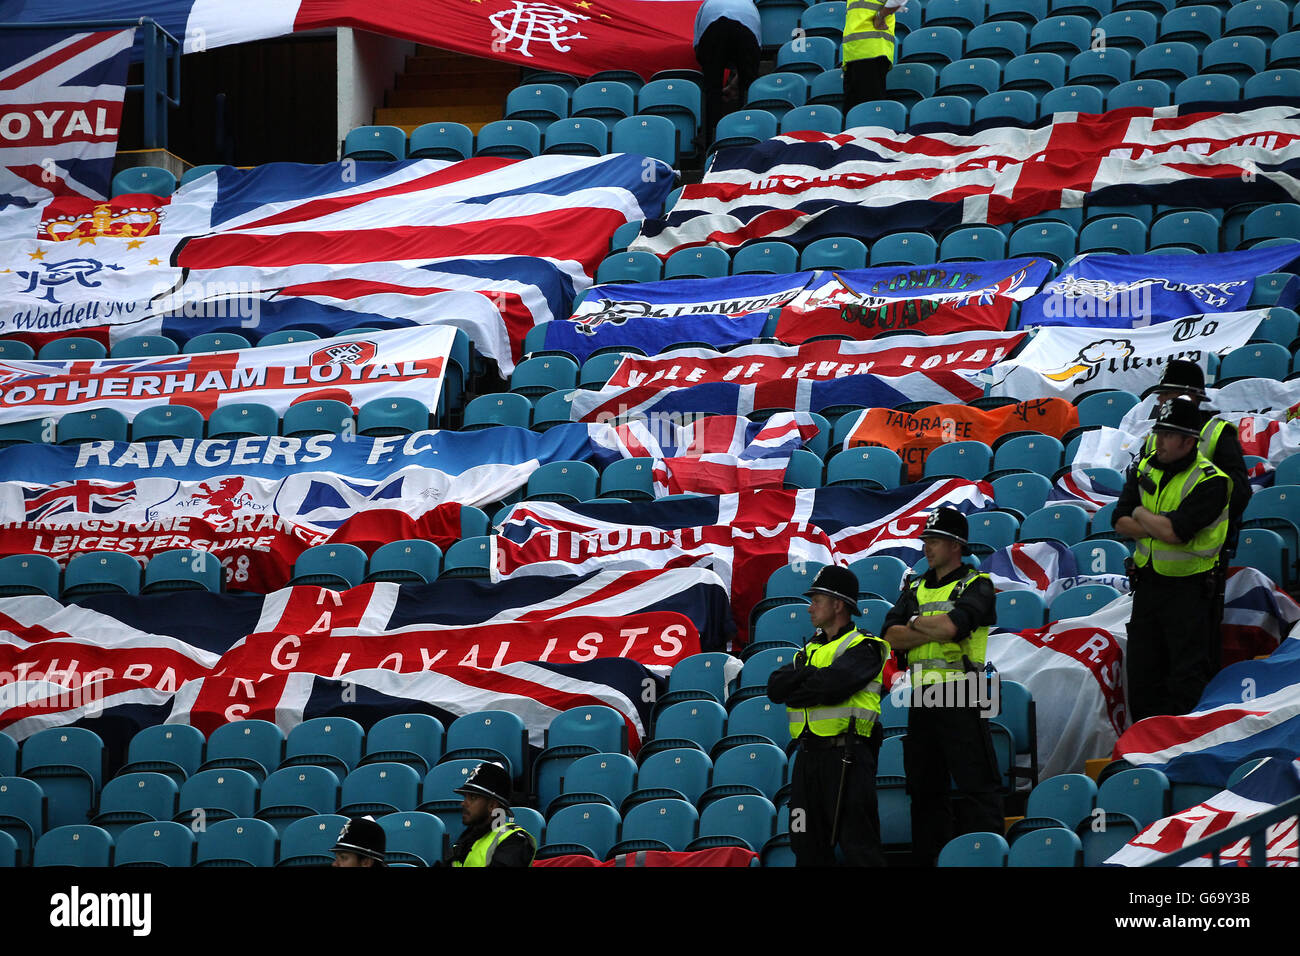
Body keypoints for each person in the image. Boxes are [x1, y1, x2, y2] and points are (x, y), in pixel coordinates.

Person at [881, 506, 1002, 867]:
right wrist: (929, 624)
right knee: (924, 789)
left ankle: (987, 857)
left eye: (934, 541)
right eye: (926, 540)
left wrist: (914, 622)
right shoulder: (914, 586)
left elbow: (953, 628)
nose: (927, 548)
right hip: (921, 696)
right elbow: (890, 636)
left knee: (977, 785)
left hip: (964, 691)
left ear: (956, 545)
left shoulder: (977, 584)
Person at [1113, 397, 1231, 722]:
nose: (1159, 440)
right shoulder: (1144, 466)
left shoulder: (1211, 481)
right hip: (1148, 587)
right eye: (1159, 432)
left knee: (1185, 679)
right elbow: (1119, 521)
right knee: (1142, 676)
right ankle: (1144, 753)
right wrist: (1154, 522)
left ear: (1189, 441)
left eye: (1168, 434)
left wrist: (1140, 512)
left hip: (1189, 593)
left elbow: (1175, 534)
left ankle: (1181, 752)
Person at [766, 565, 890, 866]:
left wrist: (804, 680)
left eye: (816, 600)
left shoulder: (867, 647)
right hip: (807, 759)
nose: (810, 608)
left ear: (838, 604)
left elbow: (833, 687)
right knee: (805, 845)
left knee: (859, 845)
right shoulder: (806, 651)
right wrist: (812, 678)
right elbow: (775, 688)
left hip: (847, 757)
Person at [1140, 360, 1252, 672]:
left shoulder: (1217, 434)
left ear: (1187, 396)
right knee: (1152, 657)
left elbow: (1238, 492)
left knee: (1191, 655)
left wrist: (1188, 522)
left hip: (1200, 562)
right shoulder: (1155, 437)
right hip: (1153, 565)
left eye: (1166, 395)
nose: (1160, 401)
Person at [693, 0, 762, 148]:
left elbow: (699, 48)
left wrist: (713, 76)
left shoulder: (706, 3)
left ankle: (711, 137)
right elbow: (753, 58)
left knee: (712, 89)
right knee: (750, 87)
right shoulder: (751, 6)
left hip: (713, 28)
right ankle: (748, 131)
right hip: (746, 29)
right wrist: (739, 82)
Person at [444, 761, 536, 867]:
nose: (463, 803)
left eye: (473, 797)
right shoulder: (469, 837)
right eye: (465, 796)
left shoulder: (515, 842)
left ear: (492, 805)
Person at [842, 0, 912, 116]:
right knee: (853, 116)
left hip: (871, 51)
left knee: (869, 113)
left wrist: (880, 16)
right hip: (852, 54)